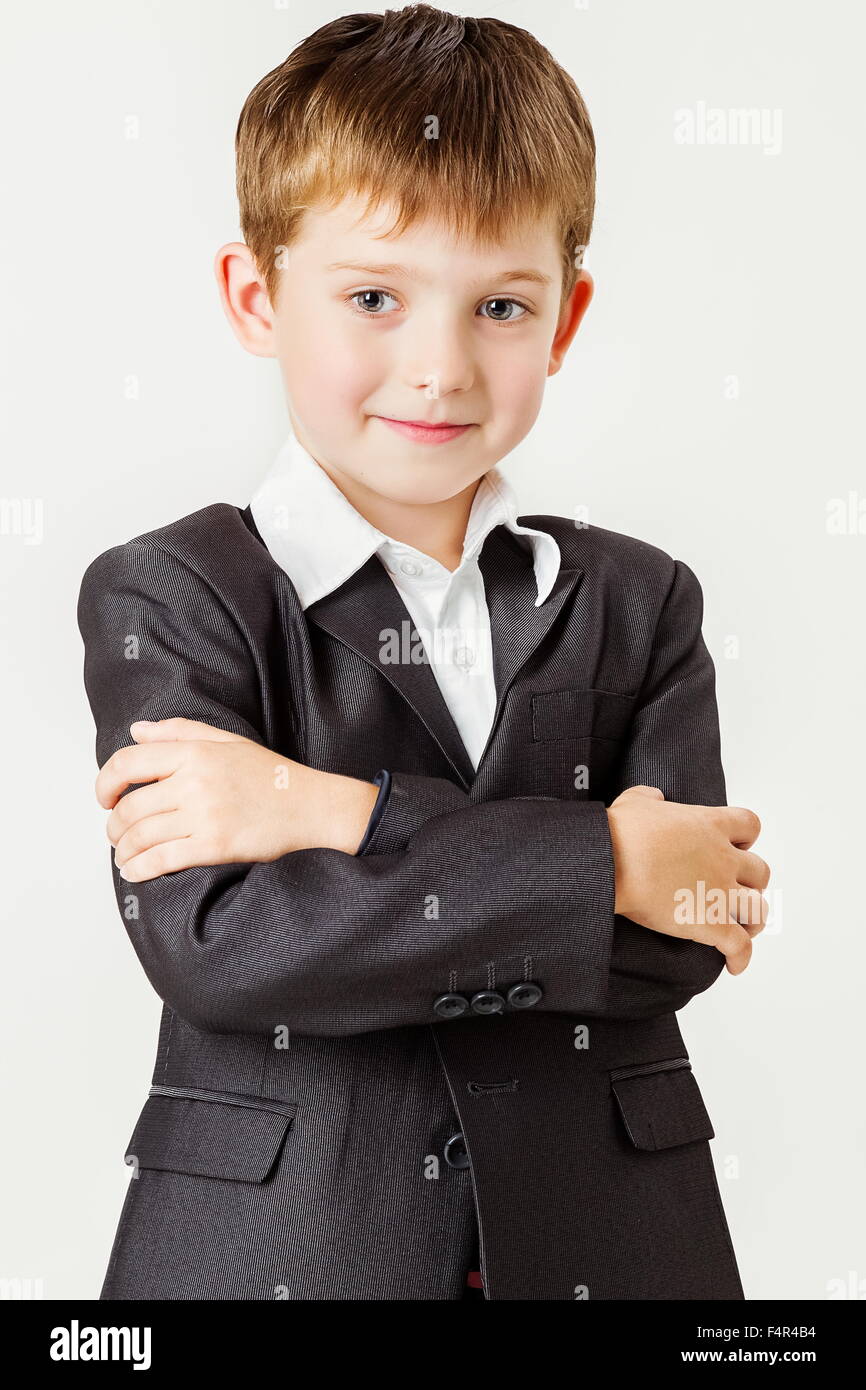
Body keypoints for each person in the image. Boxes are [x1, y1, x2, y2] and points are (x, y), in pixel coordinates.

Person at [78, 4, 769, 1301]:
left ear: (562, 320)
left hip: (611, 1250)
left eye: (500, 304)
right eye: (374, 297)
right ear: (256, 296)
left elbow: (689, 932)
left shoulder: (639, 598)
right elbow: (228, 940)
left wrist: (323, 810)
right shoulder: (171, 592)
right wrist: (604, 863)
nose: (438, 366)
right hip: (285, 1253)